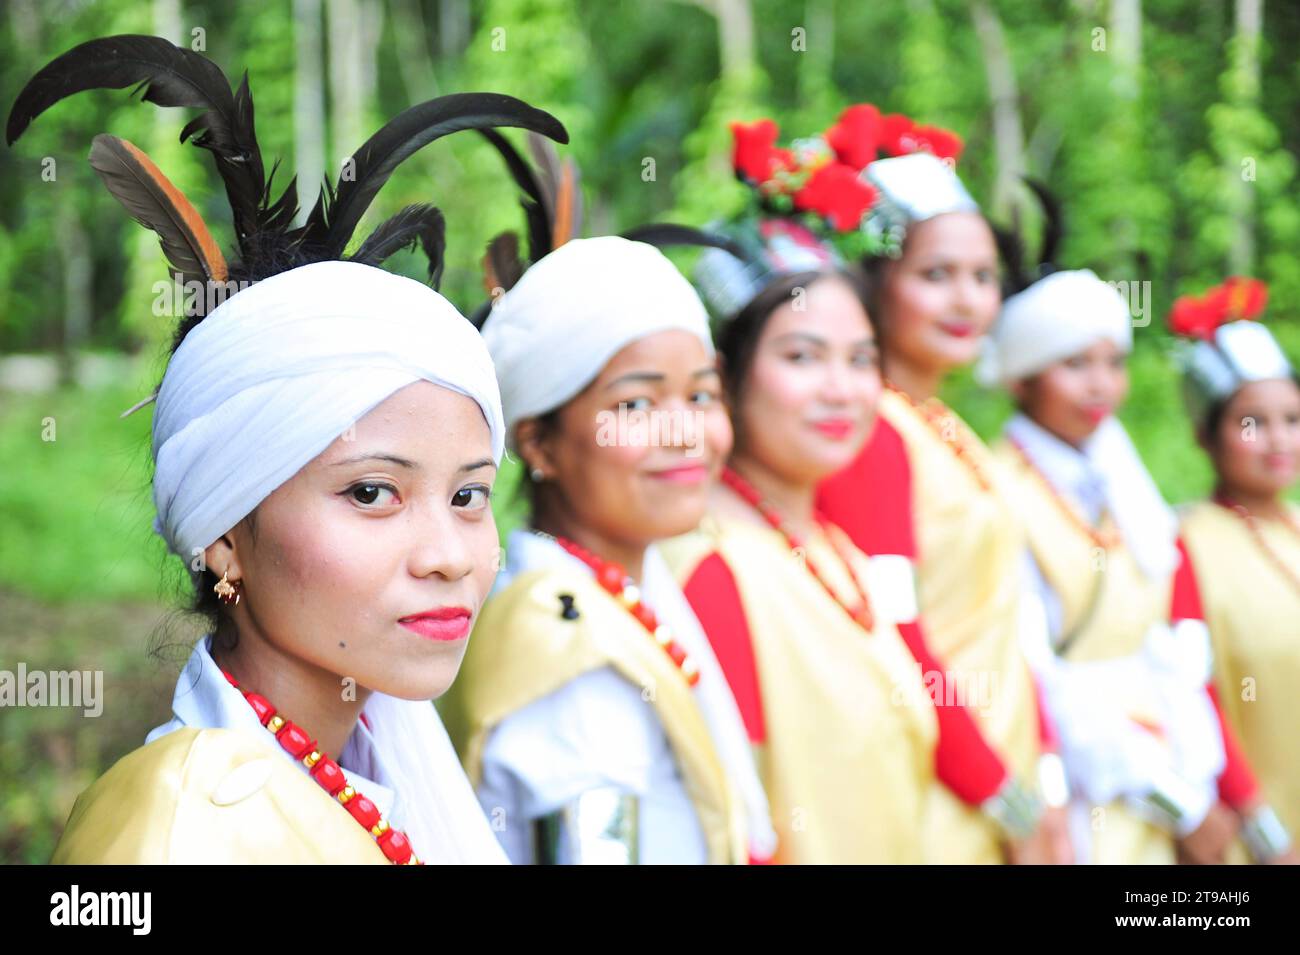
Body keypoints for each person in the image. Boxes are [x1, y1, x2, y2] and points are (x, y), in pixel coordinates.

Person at [8, 33, 566, 863]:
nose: (450, 556)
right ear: (226, 537)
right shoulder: (171, 832)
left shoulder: (380, 761)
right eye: (373, 493)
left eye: (468, 495)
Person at [440, 210, 773, 861]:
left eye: (703, 397)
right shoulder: (568, 646)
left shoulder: (629, 591)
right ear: (539, 443)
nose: (686, 431)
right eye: (636, 406)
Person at [982, 268, 1256, 863]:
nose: (1100, 385)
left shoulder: (1121, 479)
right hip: (1086, 784)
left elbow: (1167, 643)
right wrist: (1171, 798)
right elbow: (1035, 671)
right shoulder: (999, 489)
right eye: (1075, 364)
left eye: (1113, 362)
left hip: (1173, 761)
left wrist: (1197, 781)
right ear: (1025, 376)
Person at [1170, 277, 1299, 864]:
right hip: (1257, 840)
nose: (1277, 440)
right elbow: (1189, 689)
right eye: (1252, 423)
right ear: (1207, 434)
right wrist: (1261, 826)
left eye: (1291, 419)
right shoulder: (1185, 542)